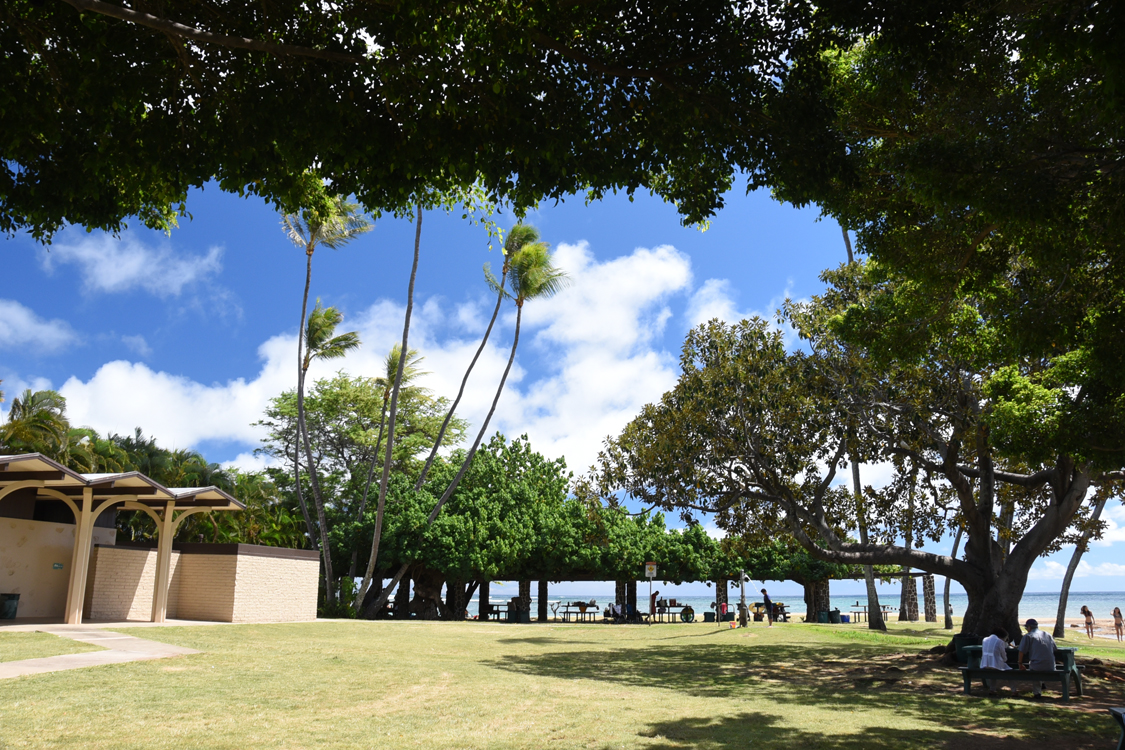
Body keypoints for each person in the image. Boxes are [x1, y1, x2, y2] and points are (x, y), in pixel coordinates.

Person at [1018, 618, 1057, 698]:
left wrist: (1020, 664)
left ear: (1029, 627)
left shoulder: (1028, 636)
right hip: (1051, 666)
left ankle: (1037, 693)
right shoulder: (1048, 635)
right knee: (1038, 662)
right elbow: (1055, 648)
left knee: (1034, 665)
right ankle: (1042, 683)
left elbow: (1021, 651)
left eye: (1026, 628)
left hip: (1037, 666)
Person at [980, 627, 1013, 695]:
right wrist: (1004, 660)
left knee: (992, 672)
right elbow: (1003, 655)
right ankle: (1014, 690)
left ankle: (992, 689)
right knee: (1011, 672)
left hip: (985, 664)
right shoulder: (999, 641)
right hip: (995, 665)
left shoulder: (985, 639)